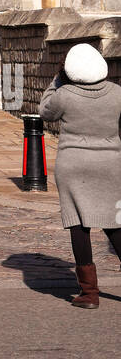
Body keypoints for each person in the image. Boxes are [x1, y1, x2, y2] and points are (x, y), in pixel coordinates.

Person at [39, 42, 121, 309]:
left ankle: (89, 294)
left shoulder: (66, 95)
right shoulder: (117, 93)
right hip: (110, 163)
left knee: (79, 226)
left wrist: (57, 80)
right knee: (114, 225)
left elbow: (45, 111)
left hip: (74, 164)